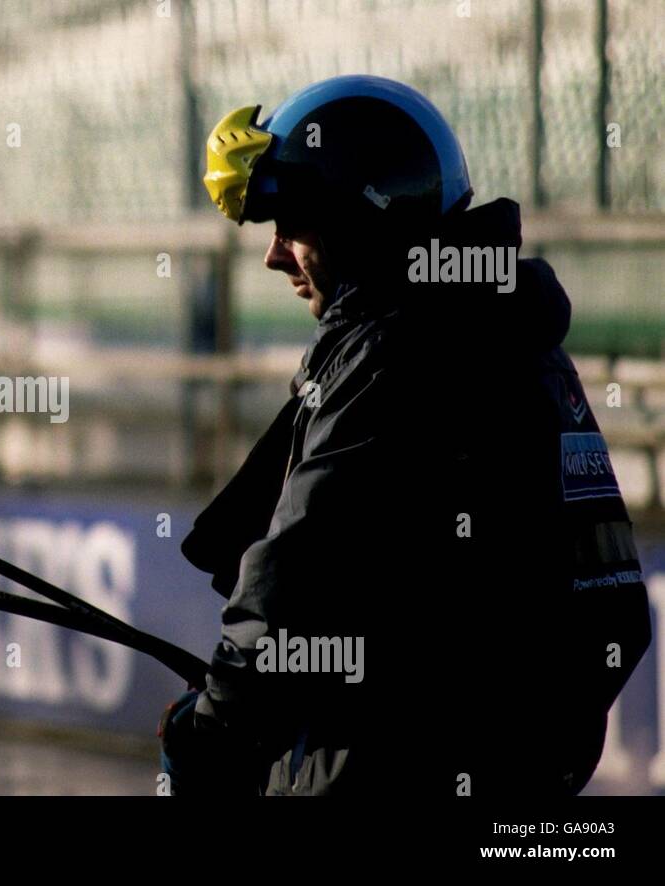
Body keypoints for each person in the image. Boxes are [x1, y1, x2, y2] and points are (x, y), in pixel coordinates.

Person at [161, 75, 652, 796]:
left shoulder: (393, 350)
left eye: (290, 226)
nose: (273, 257)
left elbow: (292, 586)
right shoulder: (523, 341)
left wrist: (207, 735)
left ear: (356, 224)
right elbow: (613, 613)